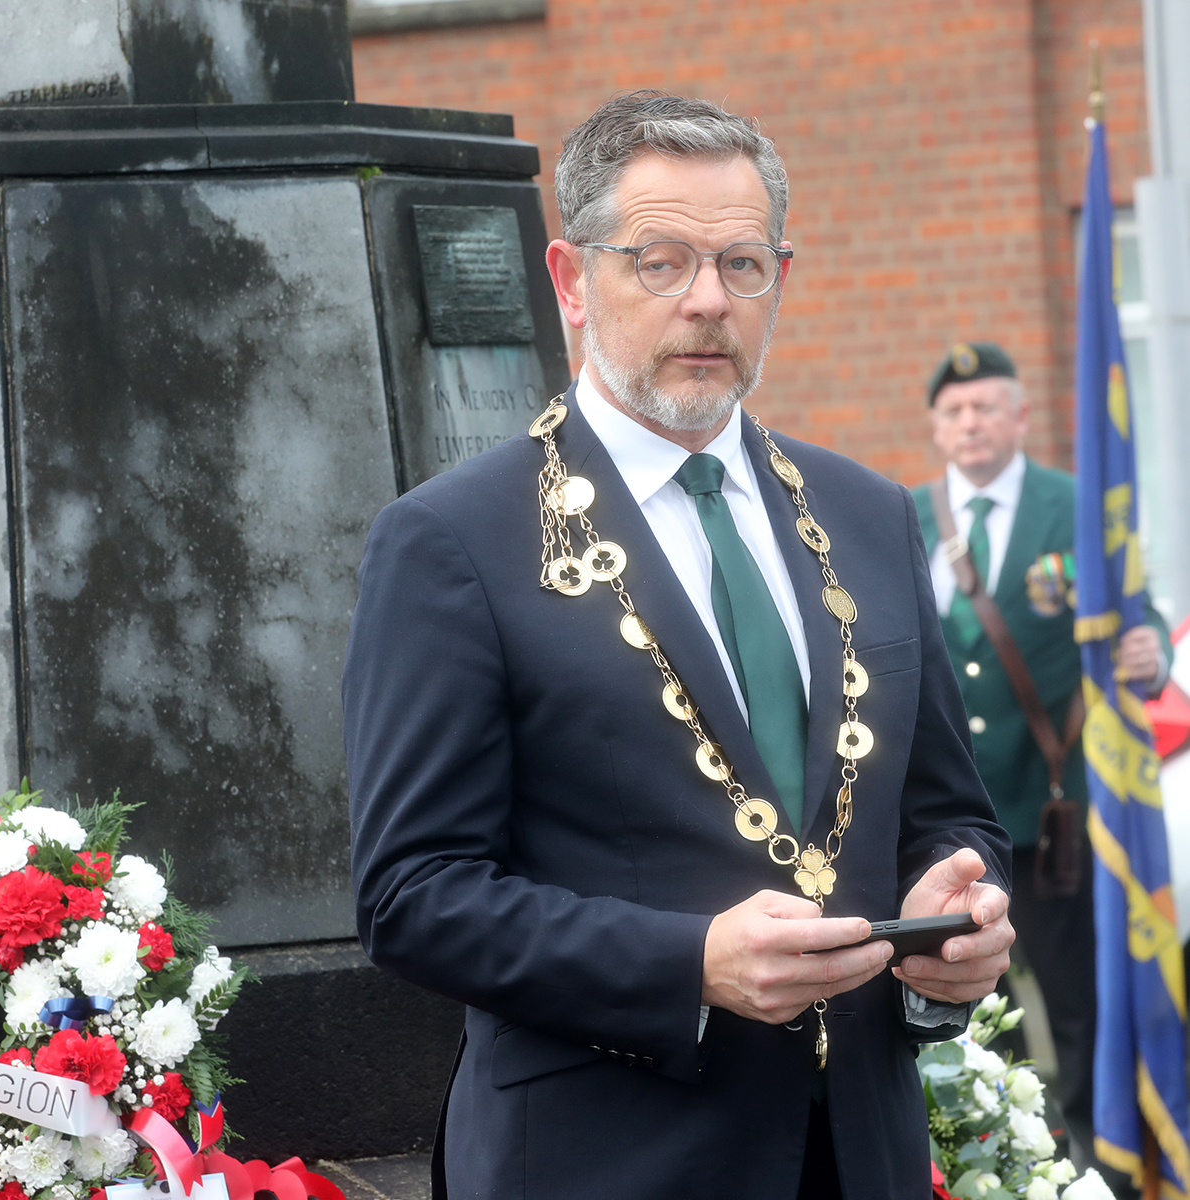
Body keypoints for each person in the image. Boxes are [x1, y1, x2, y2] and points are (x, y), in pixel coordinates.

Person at [344, 92, 1014, 1200]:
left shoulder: (869, 514)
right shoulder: (453, 540)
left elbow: (947, 812)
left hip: (862, 1155)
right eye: (659, 261)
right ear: (570, 281)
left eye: (742, 265)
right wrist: (688, 964)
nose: (708, 300)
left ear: (780, 282)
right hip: (604, 1158)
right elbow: (413, 895)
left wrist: (961, 918)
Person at [912, 344, 1171, 1178]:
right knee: (980, 1012)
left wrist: (1150, 651)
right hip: (952, 819)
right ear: (935, 428)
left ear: (1021, 417)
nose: (971, 422)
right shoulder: (905, 516)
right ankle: (1010, 1169)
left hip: (1057, 810)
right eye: (955, 411)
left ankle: (1102, 1167)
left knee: (1074, 1002)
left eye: (987, 406)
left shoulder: (1076, 507)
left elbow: (1141, 613)